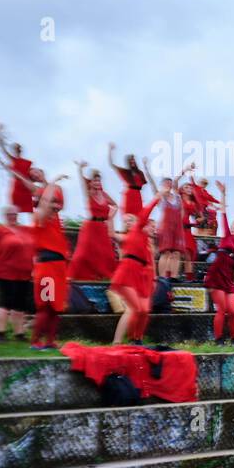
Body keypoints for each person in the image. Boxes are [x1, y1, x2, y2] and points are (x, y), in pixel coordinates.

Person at [107, 198, 159, 345]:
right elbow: (111, 234)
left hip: (141, 276)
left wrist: (153, 279)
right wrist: (110, 218)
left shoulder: (145, 240)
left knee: (143, 310)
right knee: (135, 308)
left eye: (130, 219)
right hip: (127, 273)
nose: (128, 222)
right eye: (125, 221)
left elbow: (150, 263)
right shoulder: (127, 236)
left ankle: (137, 339)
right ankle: (119, 341)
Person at [31, 181, 72, 351]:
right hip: (46, 268)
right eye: (52, 201)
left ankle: (50, 340)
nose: (55, 204)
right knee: (46, 305)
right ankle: (35, 341)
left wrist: (56, 189)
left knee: (57, 307)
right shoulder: (40, 217)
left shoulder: (56, 220)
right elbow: (45, 203)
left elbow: (59, 203)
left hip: (59, 267)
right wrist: (52, 184)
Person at [206, 181, 234, 345]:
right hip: (216, 275)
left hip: (228, 279)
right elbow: (223, 213)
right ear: (232, 227)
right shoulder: (227, 236)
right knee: (221, 310)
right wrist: (223, 193)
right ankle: (219, 339)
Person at [68, 162, 117, 280]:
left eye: (98, 180)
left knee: (107, 254)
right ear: (91, 182)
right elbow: (82, 183)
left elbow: (115, 205)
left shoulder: (104, 195)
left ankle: (101, 278)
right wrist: (80, 169)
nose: (97, 183)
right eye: (95, 180)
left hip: (102, 227)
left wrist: (109, 217)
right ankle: (73, 277)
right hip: (90, 227)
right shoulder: (89, 193)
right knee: (83, 254)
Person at [0, 207, 34, 340]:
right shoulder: (1, 231)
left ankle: (19, 333)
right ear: (5, 216)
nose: (13, 216)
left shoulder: (24, 230)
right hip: (6, 272)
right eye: (10, 214)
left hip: (24, 273)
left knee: (20, 304)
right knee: (5, 303)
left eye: (15, 214)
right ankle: (0, 332)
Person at [0, 126, 38, 214]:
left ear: (19, 150)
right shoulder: (13, 160)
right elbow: (3, 149)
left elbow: (33, 177)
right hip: (16, 189)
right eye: (14, 149)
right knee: (15, 212)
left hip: (26, 189)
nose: (15, 150)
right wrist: (0, 136)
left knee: (29, 212)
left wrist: (34, 190)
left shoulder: (28, 163)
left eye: (17, 148)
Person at [108, 143, 149, 219]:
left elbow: (144, 182)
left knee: (138, 217)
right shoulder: (126, 172)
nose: (132, 162)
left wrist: (146, 166)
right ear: (128, 162)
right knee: (128, 216)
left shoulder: (140, 173)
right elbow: (112, 164)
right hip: (129, 195)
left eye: (133, 160)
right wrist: (110, 150)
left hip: (137, 196)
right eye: (130, 160)